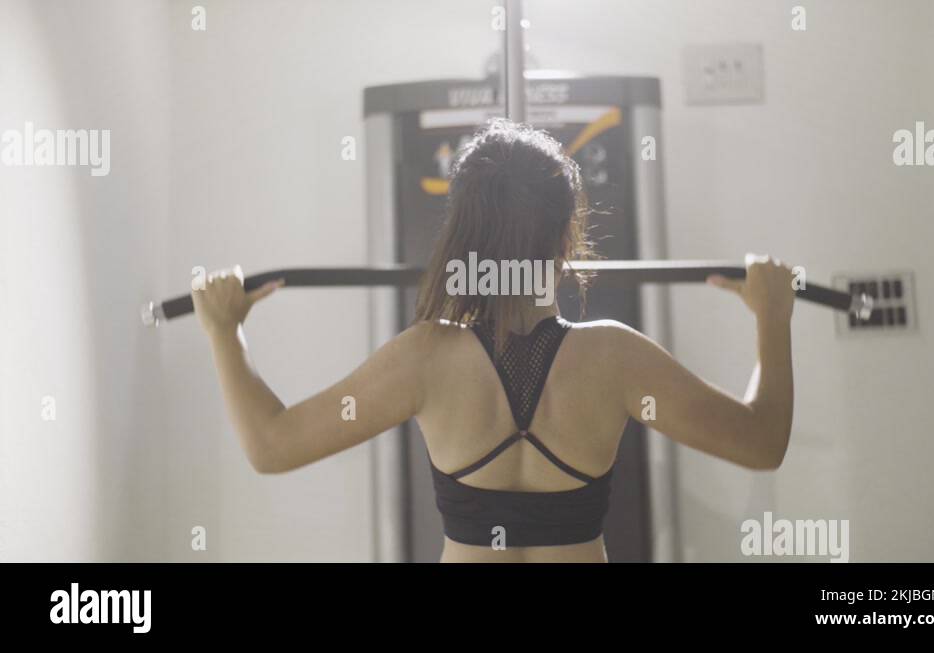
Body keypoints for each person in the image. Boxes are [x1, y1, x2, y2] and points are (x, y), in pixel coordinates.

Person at [192, 119, 795, 563]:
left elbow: (271, 446)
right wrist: (772, 316)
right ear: (566, 239)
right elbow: (763, 440)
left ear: (462, 239)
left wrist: (225, 331)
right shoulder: (615, 358)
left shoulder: (425, 359)